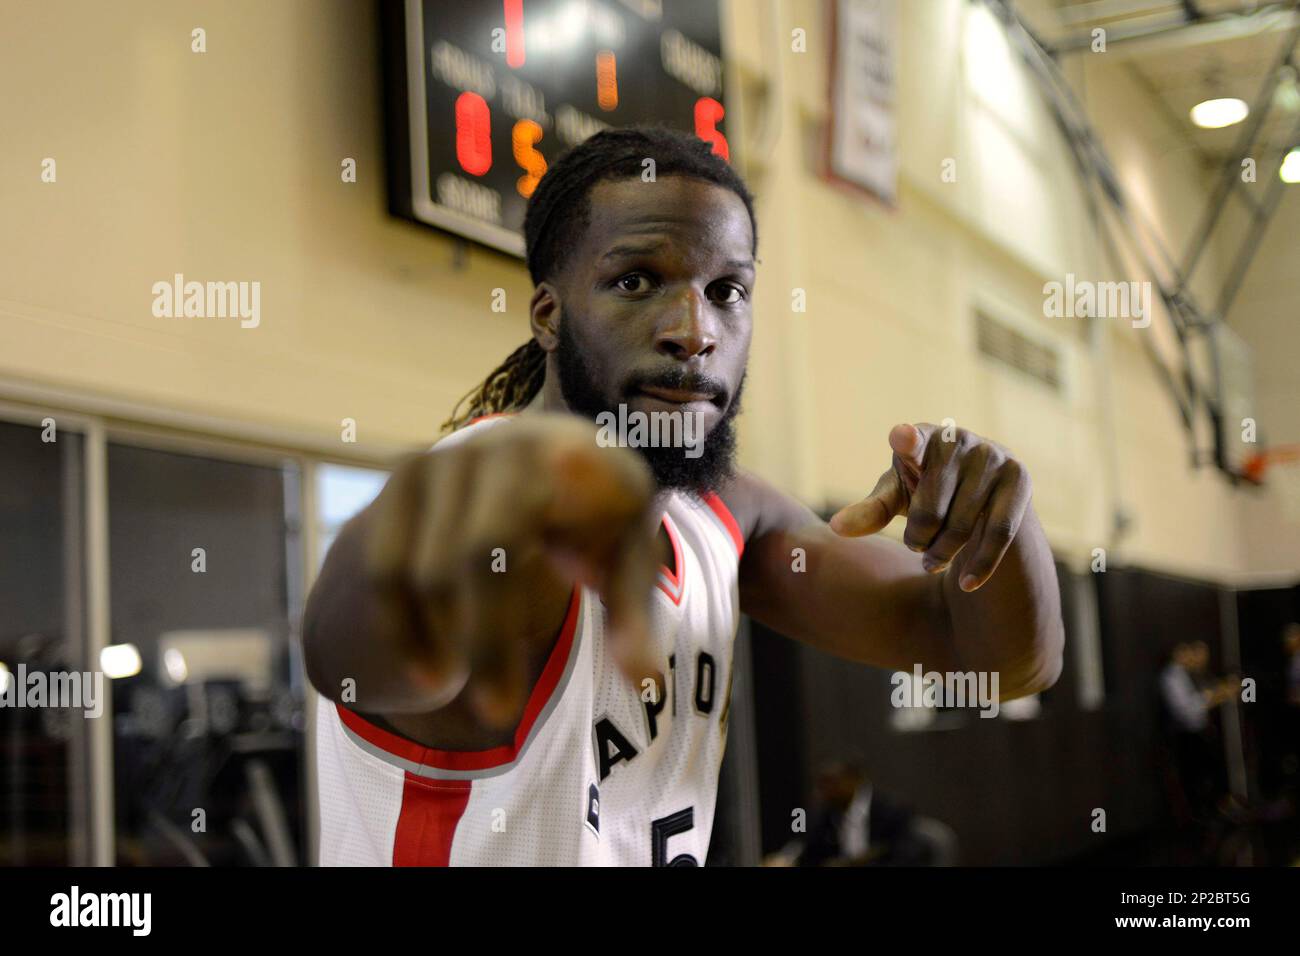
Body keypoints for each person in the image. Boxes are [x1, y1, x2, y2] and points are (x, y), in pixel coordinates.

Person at [302, 125, 1065, 866]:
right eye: (636, 281)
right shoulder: (503, 519)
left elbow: (999, 661)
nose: (693, 330)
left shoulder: (728, 515)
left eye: (727, 290)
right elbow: (353, 661)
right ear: (548, 314)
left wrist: (998, 520)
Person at [1160, 640, 1234, 819]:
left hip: (1200, 730)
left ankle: (1215, 807)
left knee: (1209, 770)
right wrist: (1212, 697)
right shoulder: (1172, 677)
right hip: (1188, 733)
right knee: (1195, 775)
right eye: (1188, 653)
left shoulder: (1187, 674)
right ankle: (1201, 814)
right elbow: (1186, 709)